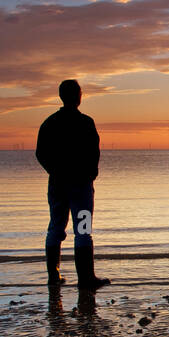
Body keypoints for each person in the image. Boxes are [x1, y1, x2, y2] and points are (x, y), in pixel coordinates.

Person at [35, 79, 110, 290]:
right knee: (83, 229)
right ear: (77, 96)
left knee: (56, 227)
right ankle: (86, 278)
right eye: (79, 92)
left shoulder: (50, 122)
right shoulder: (85, 122)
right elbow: (94, 151)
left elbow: (41, 153)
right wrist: (90, 173)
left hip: (59, 183)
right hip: (79, 185)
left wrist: (55, 170)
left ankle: (54, 276)